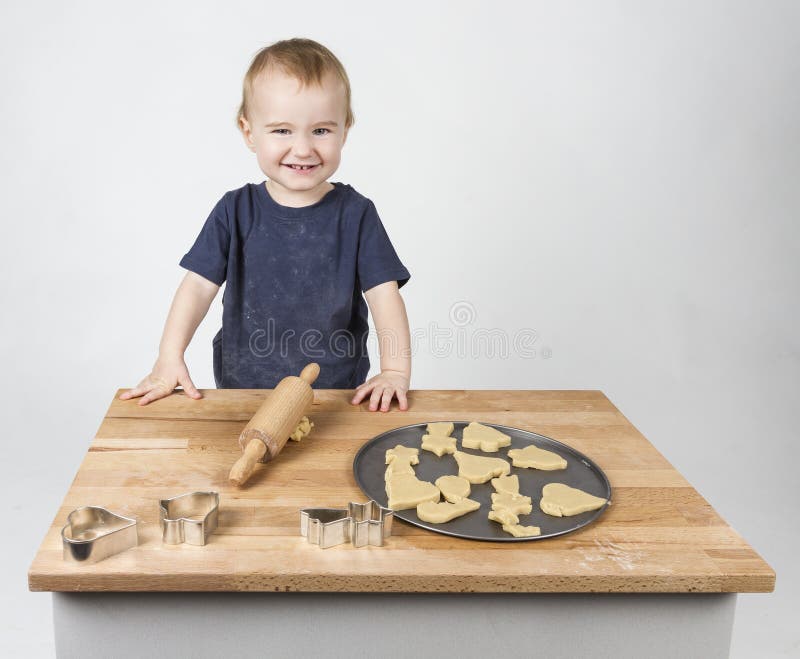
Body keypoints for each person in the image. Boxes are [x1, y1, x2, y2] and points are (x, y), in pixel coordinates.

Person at [120, 38, 412, 412]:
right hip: (243, 392)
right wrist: (169, 356)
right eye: (282, 131)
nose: (303, 148)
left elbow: (385, 297)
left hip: (334, 398)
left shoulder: (357, 215)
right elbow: (196, 287)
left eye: (321, 130)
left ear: (345, 129)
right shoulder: (234, 211)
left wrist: (394, 371)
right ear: (249, 132)